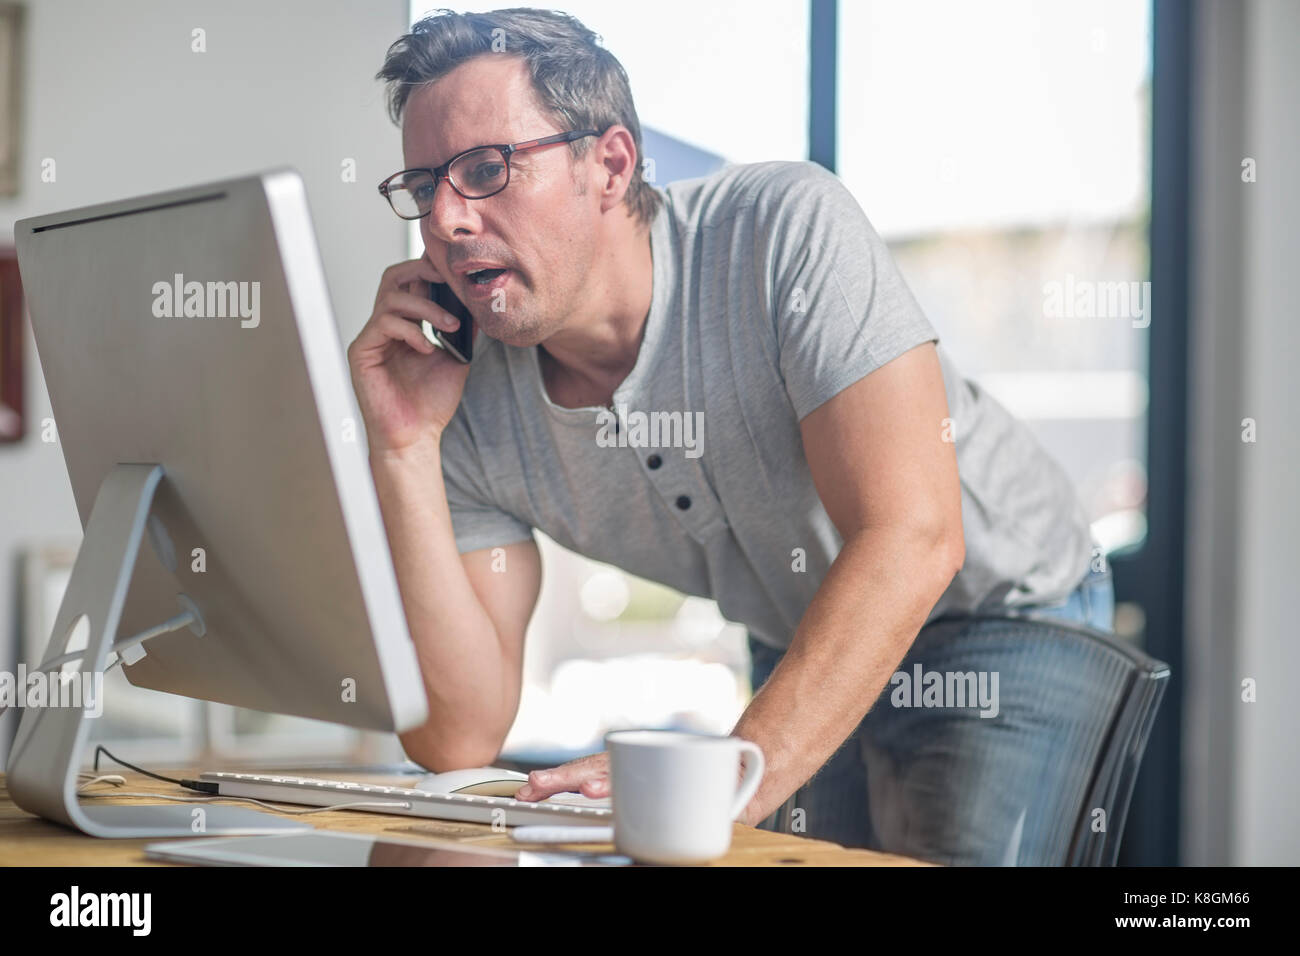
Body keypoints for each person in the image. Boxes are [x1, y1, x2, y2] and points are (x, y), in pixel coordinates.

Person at [348, 8, 1111, 865]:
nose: (445, 220)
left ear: (610, 163)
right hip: (804, 626)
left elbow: (915, 536)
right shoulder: (457, 393)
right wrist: (405, 449)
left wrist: (723, 777)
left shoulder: (781, 229)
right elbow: (459, 736)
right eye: (422, 187)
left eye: (486, 170)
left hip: (997, 608)